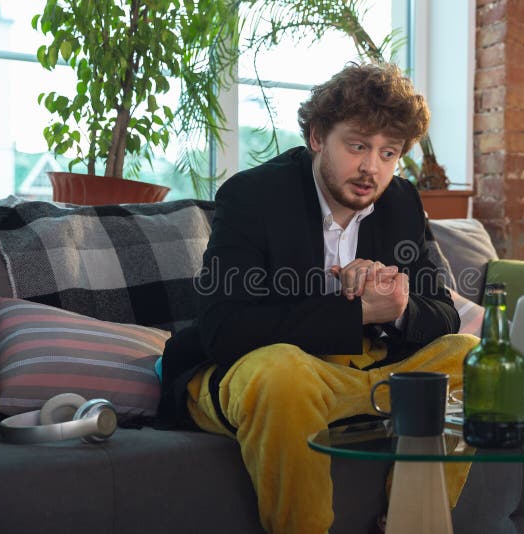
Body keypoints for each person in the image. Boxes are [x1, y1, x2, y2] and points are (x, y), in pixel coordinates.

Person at [156, 62, 478, 534]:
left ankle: (411, 522)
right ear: (316, 137)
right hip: (253, 375)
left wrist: (400, 309)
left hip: (355, 377)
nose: (372, 168)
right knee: (284, 373)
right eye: (358, 146)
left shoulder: (402, 202)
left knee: (471, 358)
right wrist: (354, 311)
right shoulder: (254, 196)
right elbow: (224, 329)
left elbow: (444, 315)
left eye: (389, 153)